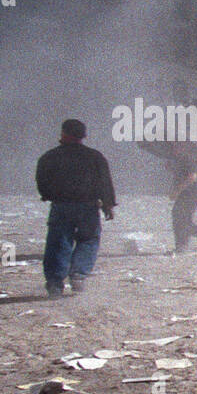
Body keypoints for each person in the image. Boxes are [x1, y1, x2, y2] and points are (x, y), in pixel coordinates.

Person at [35, 119, 117, 297]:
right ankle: (79, 275)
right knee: (88, 239)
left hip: (61, 206)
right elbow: (105, 183)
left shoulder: (50, 157)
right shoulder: (95, 157)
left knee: (59, 241)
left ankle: (55, 283)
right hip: (88, 206)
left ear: (64, 133)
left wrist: (48, 195)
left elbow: (41, 180)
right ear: (83, 136)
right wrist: (108, 204)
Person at [169, 142, 197, 253]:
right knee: (182, 217)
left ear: (184, 146)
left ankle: (182, 245)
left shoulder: (188, 158)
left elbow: (192, 177)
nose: (174, 148)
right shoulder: (180, 159)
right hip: (189, 191)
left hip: (192, 192)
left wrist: (177, 191)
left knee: (179, 216)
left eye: (177, 145)